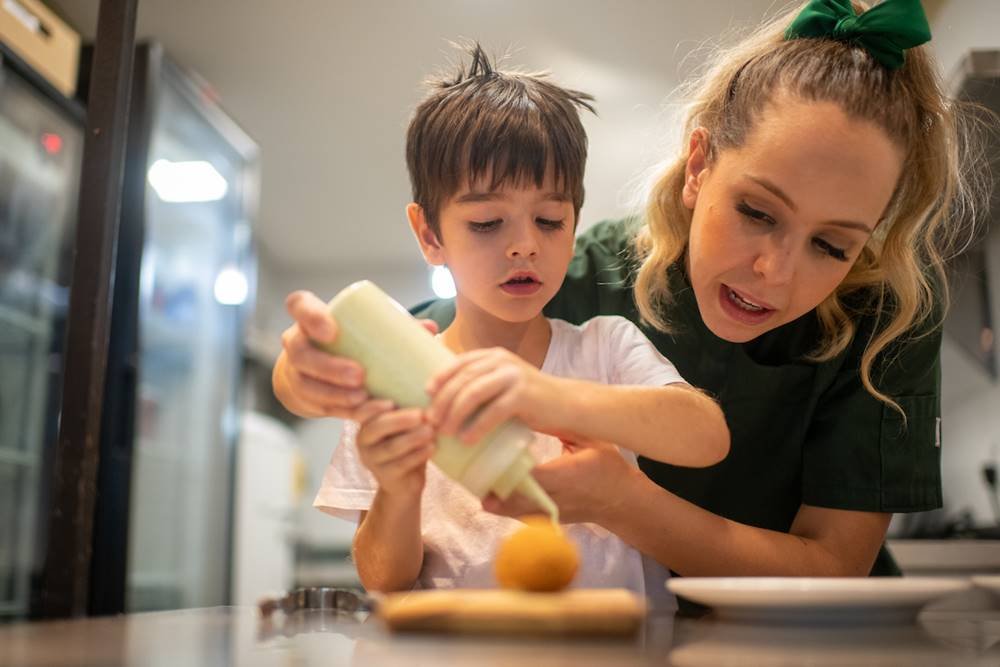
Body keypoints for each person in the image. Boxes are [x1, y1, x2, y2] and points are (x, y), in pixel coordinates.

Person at [273, 0, 988, 592]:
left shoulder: (889, 314)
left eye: (833, 245)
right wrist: (301, 373)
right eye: (757, 212)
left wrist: (623, 500)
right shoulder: (589, 268)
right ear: (700, 165)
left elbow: (832, 564)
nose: (774, 268)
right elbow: (398, 353)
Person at [307, 44, 730, 602]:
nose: (525, 246)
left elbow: (706, 436)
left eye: (550, 220)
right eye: (487, 223)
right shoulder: (394, 383)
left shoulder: (605, 348)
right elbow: (385, 579)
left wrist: (545, 396)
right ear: (430, 235)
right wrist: (397, 489)